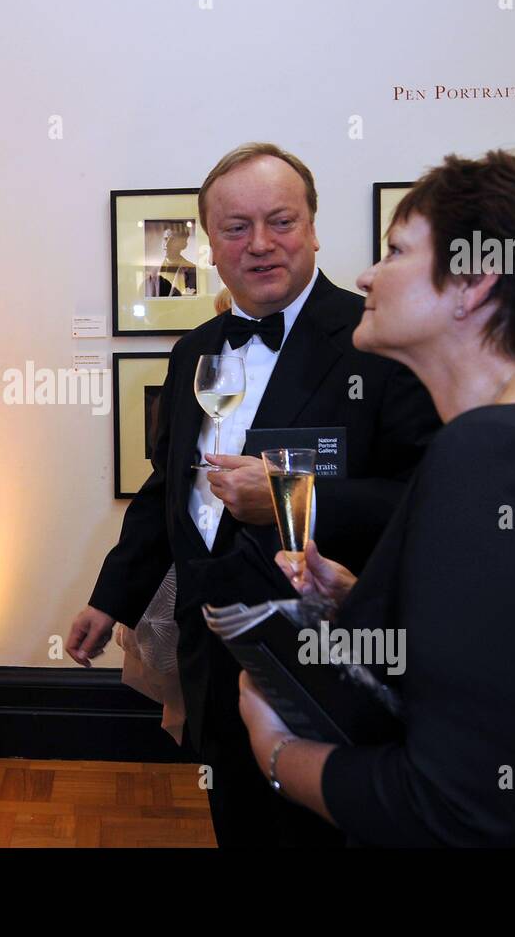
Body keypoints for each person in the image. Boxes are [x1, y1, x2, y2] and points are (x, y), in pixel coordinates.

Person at [237, 150, 515, 846]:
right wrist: (366, 596)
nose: (367, 273)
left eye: (395, 250)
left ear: (474, 282)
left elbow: (455, 810)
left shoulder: (495, 456)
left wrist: (275, 753)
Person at [67, 142, 441, 848]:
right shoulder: (193, 351)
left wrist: (293, 498)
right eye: (237, 227)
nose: (261, 244)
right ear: (210, 243)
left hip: (331, 651)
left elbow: (424, 497)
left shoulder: (379, 342)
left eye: (281, 221)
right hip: (212, 651)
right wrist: (110, 595)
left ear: (314, 228)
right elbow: (168, 485)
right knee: (239, 822)